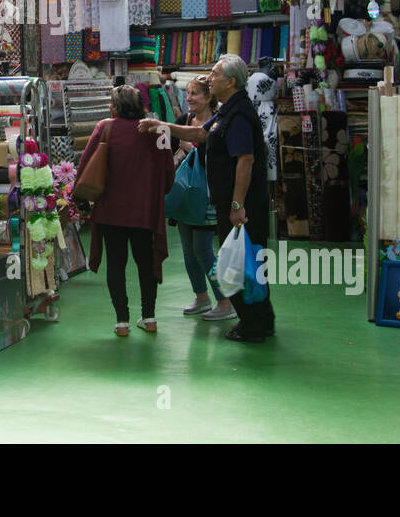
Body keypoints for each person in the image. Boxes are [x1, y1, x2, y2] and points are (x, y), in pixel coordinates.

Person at [141, 55, 275, 343]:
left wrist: (237, 205)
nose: (209, 78)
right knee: (247, 261)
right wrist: (162, 125)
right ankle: (262, 320)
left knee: (241, 263)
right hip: (232, 203)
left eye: (214, 74)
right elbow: (200, 133)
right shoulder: (229, 110)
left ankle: (253, 325)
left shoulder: (239, 116)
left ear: (230, 81)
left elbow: (246, 160)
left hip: (242, 206)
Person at [82, 85, 175, 337]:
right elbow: (169, 170)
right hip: (145, 210)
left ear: (114, 107)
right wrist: (158, 192)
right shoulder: (158, 129)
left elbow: (85, 164)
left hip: (111, 210)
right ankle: (149, 317)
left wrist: (83, 197)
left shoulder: (105, 127)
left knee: (116, 264)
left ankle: (122, 321)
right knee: (146, 263)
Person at [172, 75, 236, 321]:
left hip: (207, 194)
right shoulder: (183, 121)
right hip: (185, 192)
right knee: (188, 250)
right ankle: (201, 297)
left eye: (194, 93)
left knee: (202, 248)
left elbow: (222, 158)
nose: (189, 98)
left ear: (209, 97)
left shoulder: (218, 124)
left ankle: (225, 301)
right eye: (187, 93)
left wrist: (193, 148)